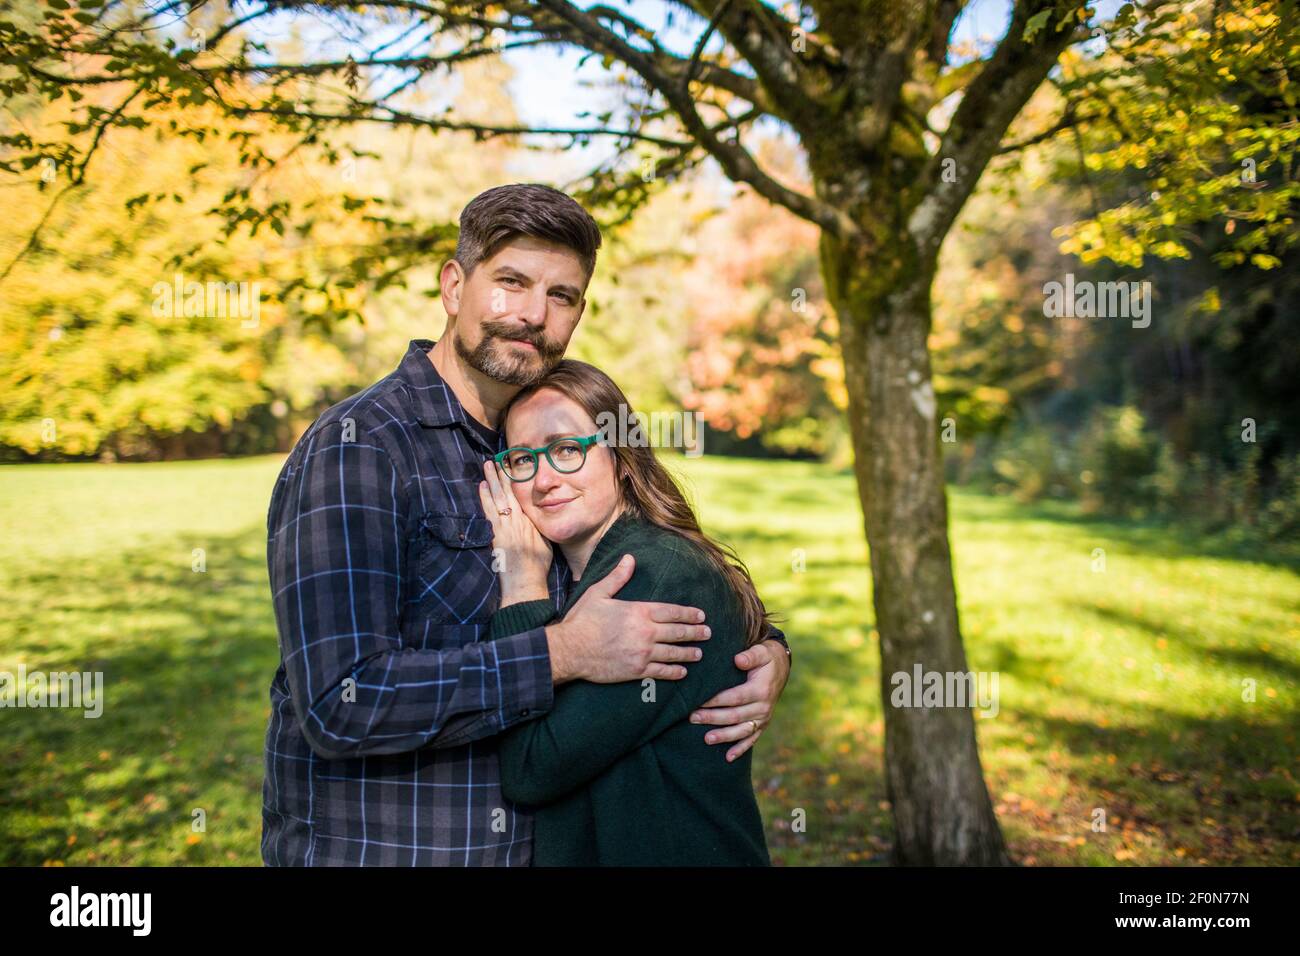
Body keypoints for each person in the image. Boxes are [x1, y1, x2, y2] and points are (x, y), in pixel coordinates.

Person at [262, 183, 792, 865]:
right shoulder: (363, 448)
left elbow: (638, 579)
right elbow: (342, 700)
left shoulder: (532, 435)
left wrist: (759, 653)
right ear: (454, 286)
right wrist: (561, 653)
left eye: (561, 295)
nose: (534, 314)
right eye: (511, 282)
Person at [479, 359, 773, 865]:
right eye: (523, 459)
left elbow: (532, 768)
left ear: (620, 457)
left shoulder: (658, 575)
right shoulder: (594, 571)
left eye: (567, 450)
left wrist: (523, 588)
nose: (544, 479)